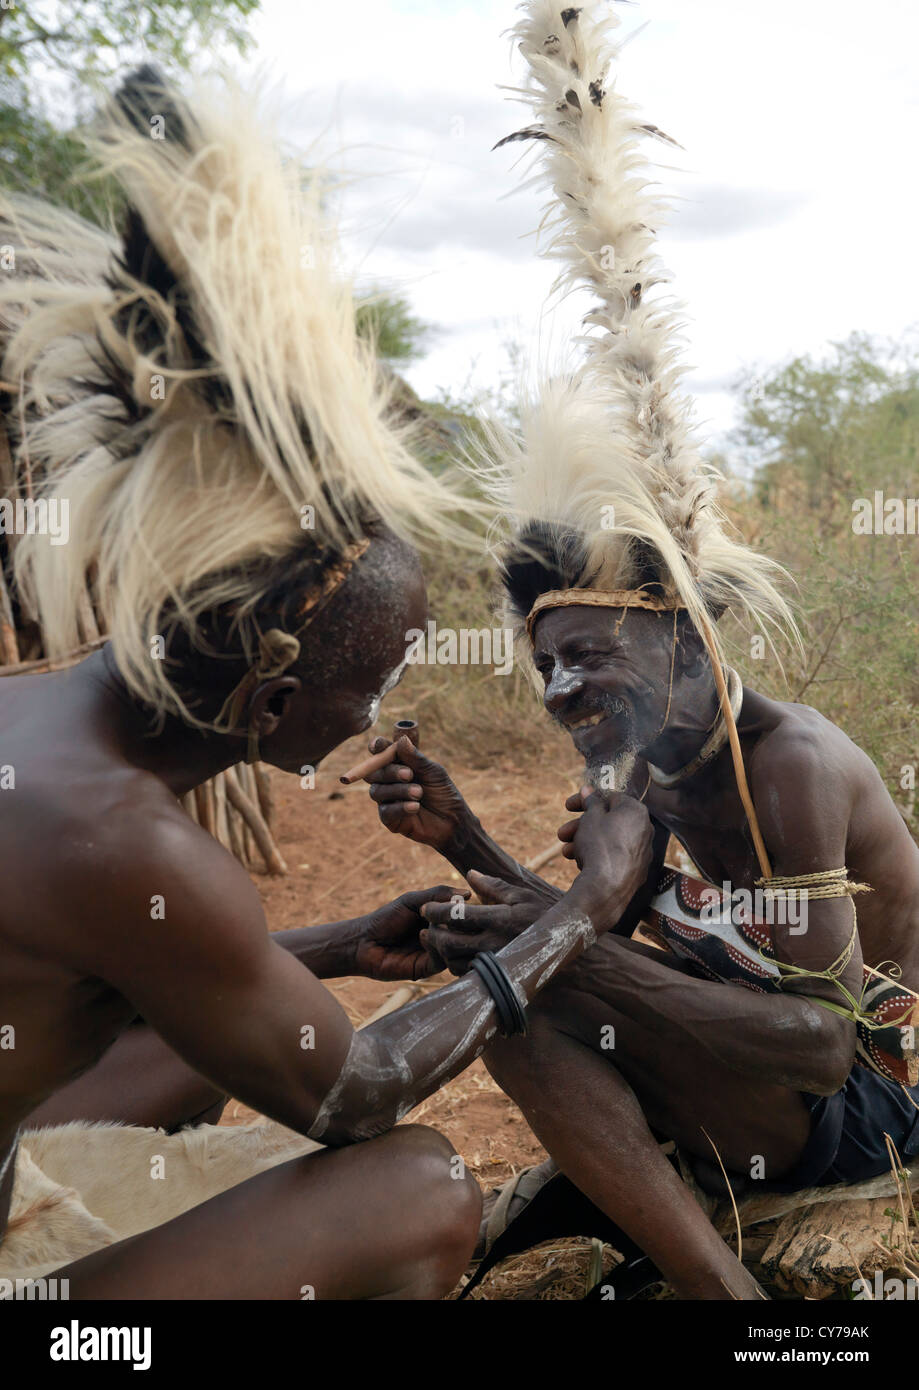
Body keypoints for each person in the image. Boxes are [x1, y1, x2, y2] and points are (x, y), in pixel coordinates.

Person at [0, 67, 654, 1299]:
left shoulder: (39, 726)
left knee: (201, 1045)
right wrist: (583, 909)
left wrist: (347, 943)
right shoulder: (119, 836)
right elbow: (353, 1099)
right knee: (420, 1189)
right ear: (270, 688)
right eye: (371, 678)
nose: (379, 711)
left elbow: (126, 971)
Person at [362, 0, 919, 1301]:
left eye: (592, 657)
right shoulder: (643, 753)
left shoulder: (784, 770)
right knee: (508, 972)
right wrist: (462, 844)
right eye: (547, 663)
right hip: (757, 1078)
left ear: (681, 637)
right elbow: (587, 919)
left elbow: (808, 1041)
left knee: (532, 980)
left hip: (867, 1101)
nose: (563, 692)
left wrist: (577, 926)